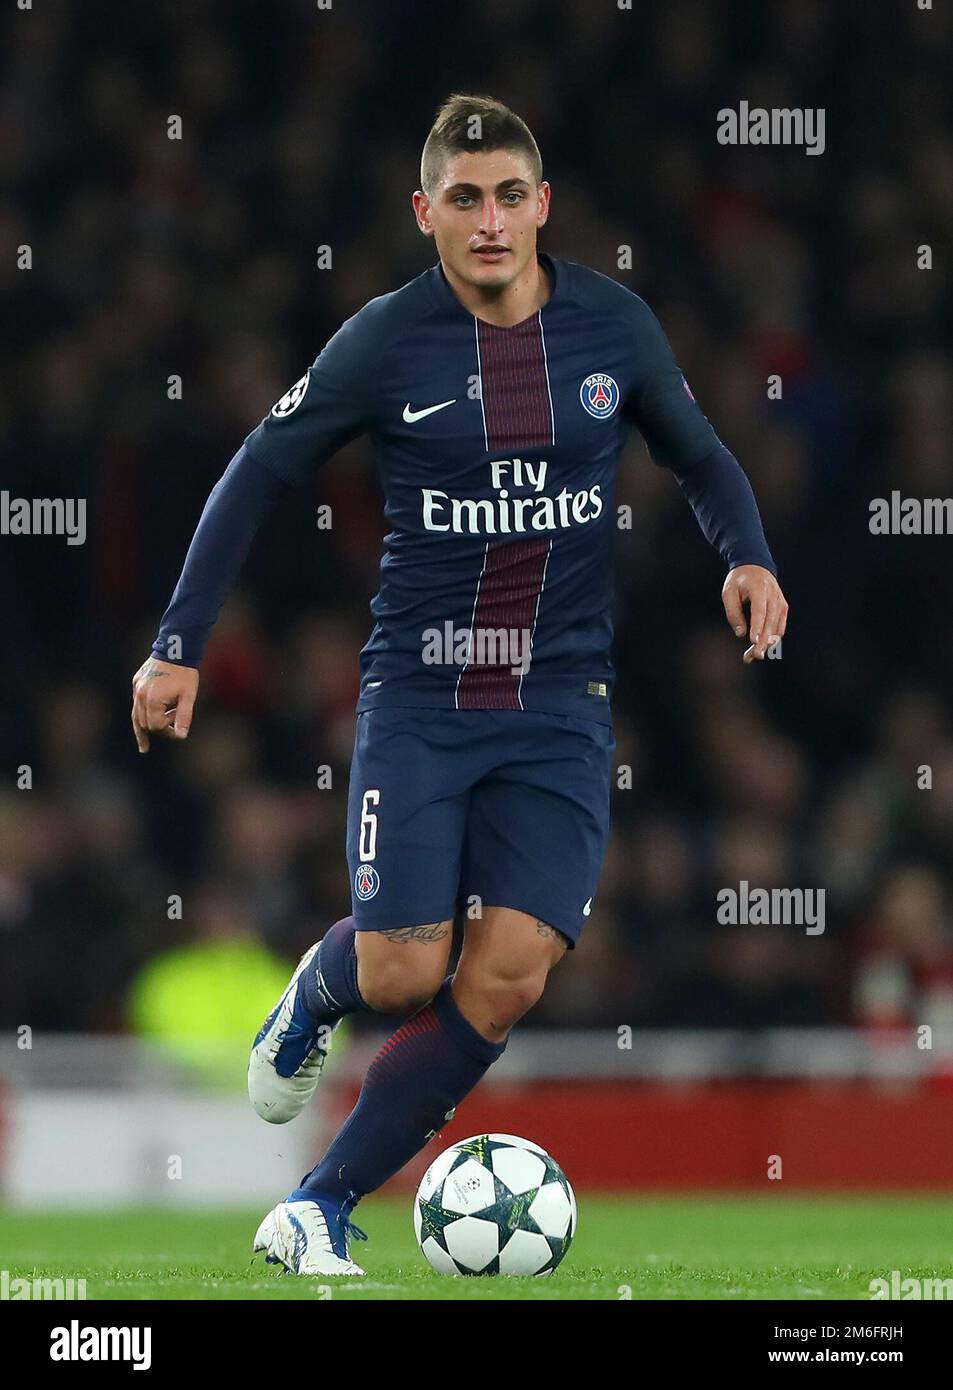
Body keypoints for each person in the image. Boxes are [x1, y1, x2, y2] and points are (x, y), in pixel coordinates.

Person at [131, 94, 788, 1275]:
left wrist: (745, 555)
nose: (489, 221)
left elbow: (700, 454)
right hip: (422, 700)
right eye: (464, 198)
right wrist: (177, 642)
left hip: (559, 703)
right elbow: (254, 472)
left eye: (509, 197)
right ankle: (321, 985)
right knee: (402, 971)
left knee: (508, 972)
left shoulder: (612, 328)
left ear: (542, 205)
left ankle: (315, 1206)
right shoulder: (384, 342)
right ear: (424, 211)